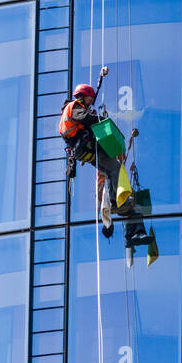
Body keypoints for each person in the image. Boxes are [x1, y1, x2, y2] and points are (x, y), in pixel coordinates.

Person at [58, 82, 154, 257]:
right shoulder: (74, 107)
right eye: (89, 98)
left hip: (84, 150)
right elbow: (86, 119)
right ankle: (116, 202)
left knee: (111, 169)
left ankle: (124, 216)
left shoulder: (75, 108)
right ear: (82, 95)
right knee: (114, 167)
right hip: (85, 146)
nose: (90, 101)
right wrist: (102, 121)